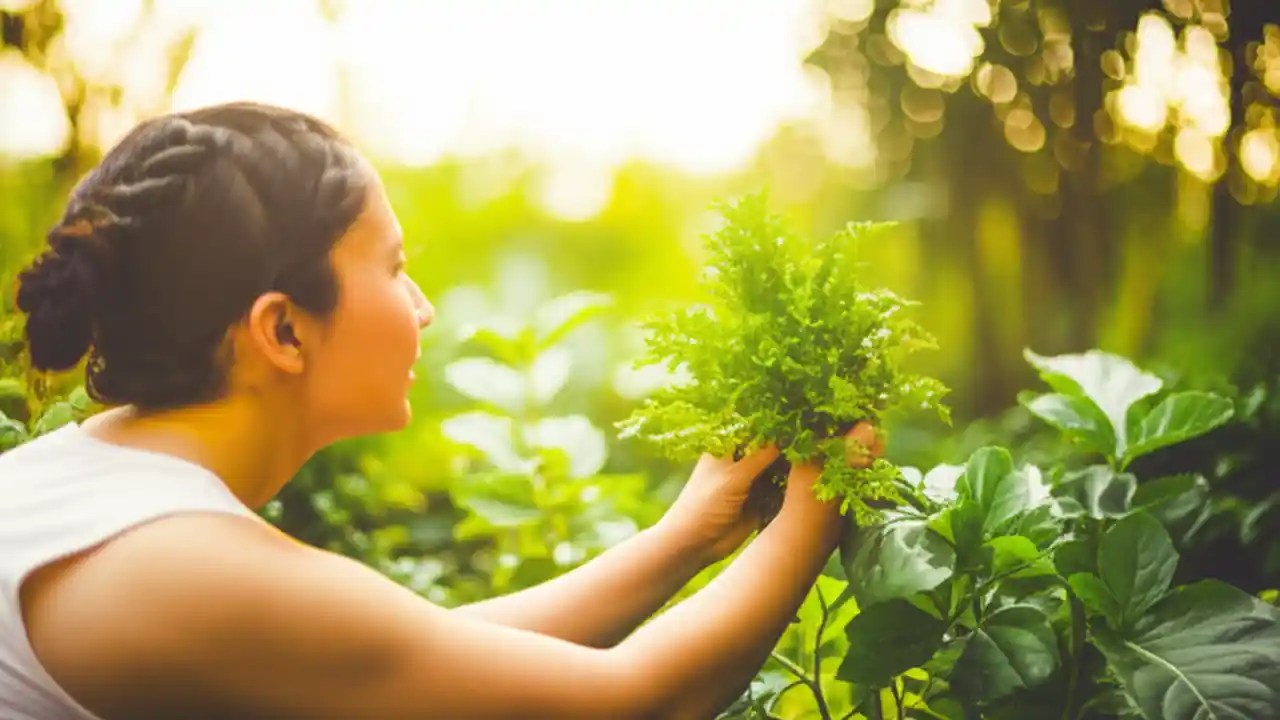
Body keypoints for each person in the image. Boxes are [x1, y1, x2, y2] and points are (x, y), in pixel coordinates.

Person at [0, 102, 880, 720]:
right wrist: (821, 494)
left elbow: (416, 652)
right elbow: (638, 701)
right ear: (283, 330)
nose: (421, 307)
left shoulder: (85, 486)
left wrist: (686, 537)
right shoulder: (180, 564)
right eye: (392, 267)